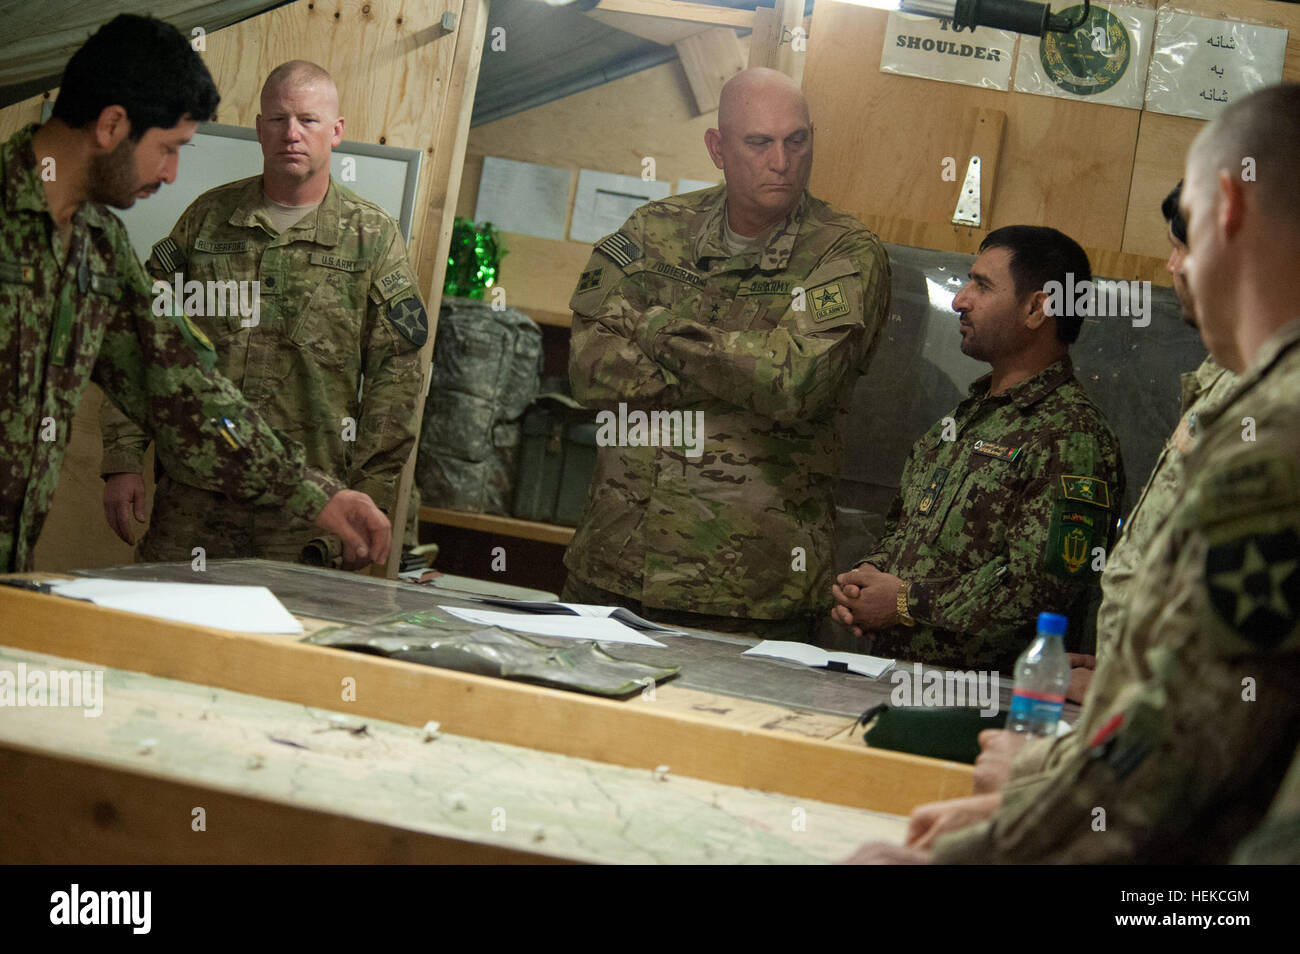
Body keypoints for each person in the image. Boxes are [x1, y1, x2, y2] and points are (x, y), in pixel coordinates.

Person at [851, 82, 1300, 864]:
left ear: (1227, 205)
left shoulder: (1277, 433)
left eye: (1185, 226)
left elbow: (1180, 751)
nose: (1173, 264)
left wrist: (980, 851)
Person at [0, 14, 390, 573]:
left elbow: (181, 389)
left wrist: (314, 494)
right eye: (168, 148)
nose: (172, 173)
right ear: (112, 125)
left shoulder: (96, 248)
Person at [561, 67, 891, 640]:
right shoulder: (653, 230)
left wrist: (656, 331)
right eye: (759, 142)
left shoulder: (843, 252)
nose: (781, 161)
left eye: (796, 141)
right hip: (613, 566)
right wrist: (739, 371)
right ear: (717, 148)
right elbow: (590, 371)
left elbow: (794, 384)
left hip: (751, 592)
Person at [99, 60, 424, 566]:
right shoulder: (207, 219)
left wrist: (369, 494)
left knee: (294, 618)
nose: (291, 133)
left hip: (310, 508)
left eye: (308, 120)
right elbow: (142, 337)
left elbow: (396, 377)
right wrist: (123, 458)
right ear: (259, 128)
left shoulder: (372, 238)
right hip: (194, 495)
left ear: (336, 131)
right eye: (277, 119)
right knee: (168, 612)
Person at [831, 226, 1123, 673]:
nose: (959, 301)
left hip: (987, 698)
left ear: (1036, 308)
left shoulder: (1071, 435)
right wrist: (867, 580)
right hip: (899, 679)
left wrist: (905, 602)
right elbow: (904, 530)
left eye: (982, 286)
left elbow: (1042, 589)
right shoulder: (970, 415)